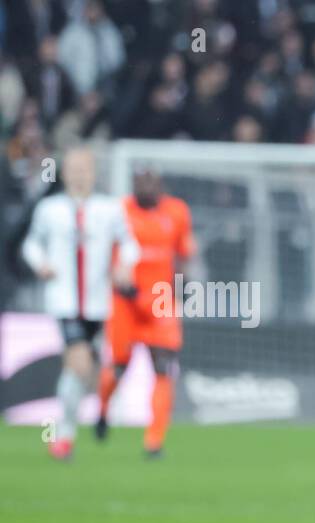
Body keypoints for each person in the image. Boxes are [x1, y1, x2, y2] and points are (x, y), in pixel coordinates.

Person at [20, 146, 137, 460]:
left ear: (93, 172)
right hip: (65, 301)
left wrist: (124, 266)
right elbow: (31, 244)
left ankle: (77, 425)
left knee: (85, 371)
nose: (79, 174)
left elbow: (129, 243)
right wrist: (41, 264)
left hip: (98, 304)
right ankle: (63, 435)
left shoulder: (109, 209)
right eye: (73, 169)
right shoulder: (50, 209)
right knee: (80, 360)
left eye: (85, 168)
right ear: (65, 173)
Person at [97, 167, 195, 457]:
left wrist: (184, 284)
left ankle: (154, 441)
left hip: (161, 303)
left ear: (161, 185)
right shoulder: (119, 212)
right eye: (141, 182)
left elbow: (184, 253)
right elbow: (104, 254)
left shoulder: (177, 212)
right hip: (126, 302)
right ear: (133, 185)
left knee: (164, 369)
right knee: (118, 368)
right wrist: (118, 279)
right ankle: (102, 410)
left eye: (152, 182)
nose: (147, 188)